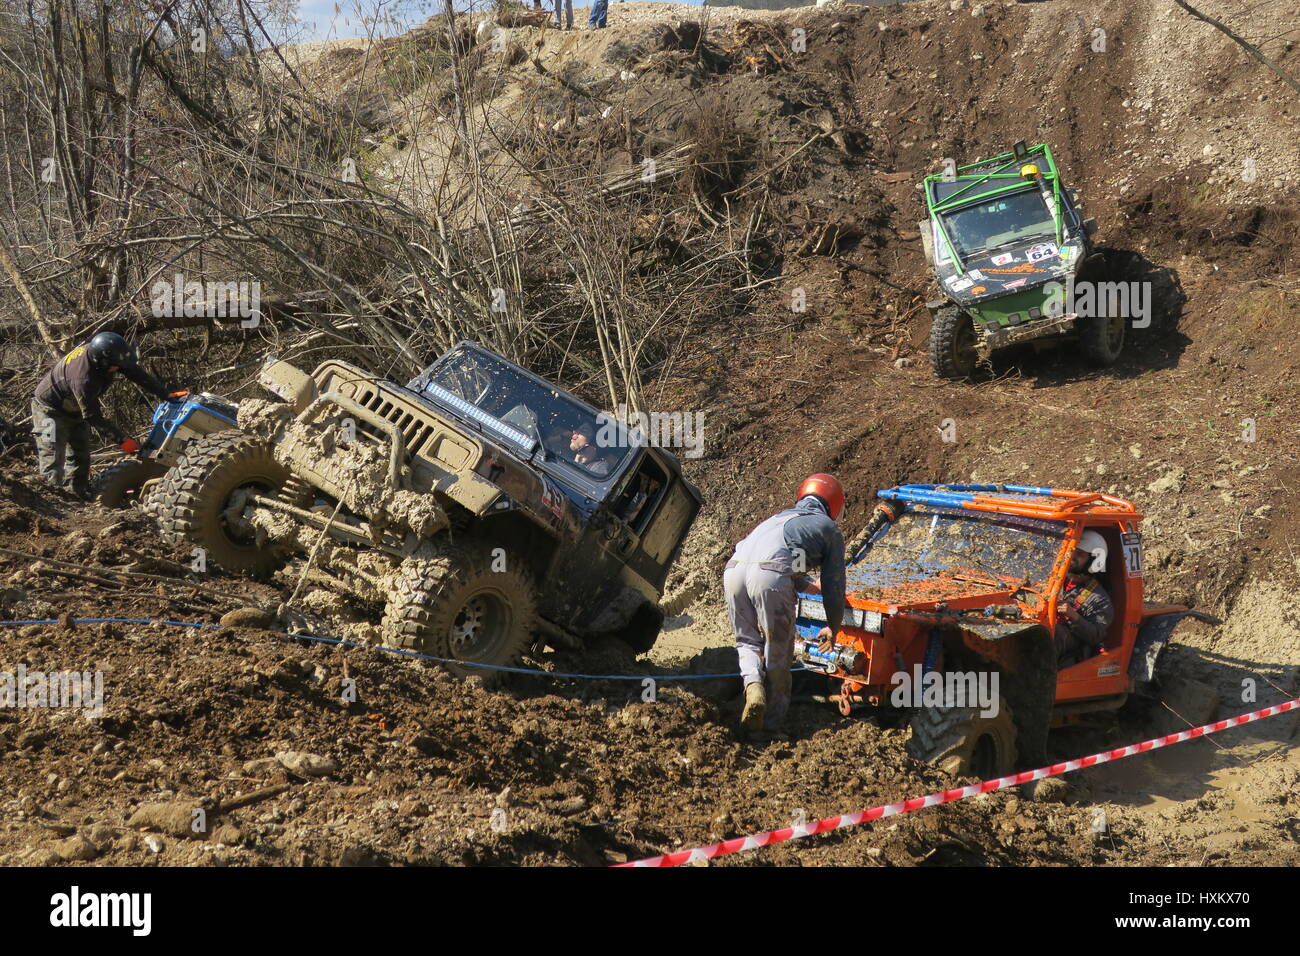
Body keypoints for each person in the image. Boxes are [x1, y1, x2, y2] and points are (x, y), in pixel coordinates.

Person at [724, 473, 847, 738]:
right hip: (769, 576)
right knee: (777, 649)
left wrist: (806, 585)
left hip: (734, 572)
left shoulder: (779, 518)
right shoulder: (828, 528)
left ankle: (753, 686)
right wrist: (833, 626)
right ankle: (769, 726)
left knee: (746, 642)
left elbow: (778, 559)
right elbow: (834, 584)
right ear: (835, 504)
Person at [32, 332, 176, 499]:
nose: (118, 369)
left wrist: (167, 395)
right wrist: (122, 440)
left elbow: (137, 374)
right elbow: (93, 417)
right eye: (115, 366)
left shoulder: (108, 354)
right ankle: (51, 502)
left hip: (75, 407)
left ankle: (76, 497)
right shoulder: (83, 378)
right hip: (49, 409)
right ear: (102, 362)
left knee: (81, 456)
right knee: (52, 457)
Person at [1053, 530, 1114, 668]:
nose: (1072, 556)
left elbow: (1096, 636)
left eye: (1080, 554)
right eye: (1072, 551)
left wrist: (1073, 615)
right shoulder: (1053, 579)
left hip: (1072, 644)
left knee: (1052, 632)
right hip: (1049, 629)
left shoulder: (1099, 599)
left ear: (1094, 560)